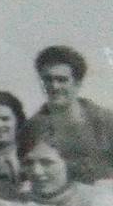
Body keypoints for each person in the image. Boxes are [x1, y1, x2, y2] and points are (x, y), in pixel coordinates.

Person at [24, 45, 113, 181]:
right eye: (48, 79)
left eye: (62, 80)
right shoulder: (32, 129)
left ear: (77, 82)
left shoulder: (106, 122)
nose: (54, 86)